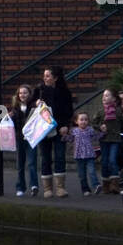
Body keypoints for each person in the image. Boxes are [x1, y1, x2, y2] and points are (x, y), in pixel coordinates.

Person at [34, 66, 73, 198]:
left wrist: (66, 125)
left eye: (48, 76)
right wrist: (36, 103)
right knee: (45, 158)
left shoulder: (64, 92)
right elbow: (30, 107)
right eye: (44, 76)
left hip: (59, 128)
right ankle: (47, 188)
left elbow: (69, 110)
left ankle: (60, 187)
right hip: (43, 129)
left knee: (60, 156)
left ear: (55, 78)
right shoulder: (39, 90)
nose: (45, 78)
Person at [9, 84, 39, 196]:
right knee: (20, 164)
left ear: (29, 94)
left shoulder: (33, 107)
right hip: (19, 139)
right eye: (20, 93)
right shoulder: (15, 108)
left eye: (25, 93)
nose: (22, 95)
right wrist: (9, 118)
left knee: (32, 163)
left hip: (31, 138)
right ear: (18, 95)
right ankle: (20, 187)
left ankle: (34, 186)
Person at [98, 88, 123, 193]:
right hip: (104, 140)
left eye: (107, 95)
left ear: (113, 99)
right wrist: (100, 126)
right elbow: (93, 123)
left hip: (115, 139)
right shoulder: (100, 111)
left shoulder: (118, 111)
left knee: (112, 160)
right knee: (104, 161)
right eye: (103, 95)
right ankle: (105, 183)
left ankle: (115, 184)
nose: (104, 97)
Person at [69, 112, 101, 195]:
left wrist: (103, 133)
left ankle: (96, 185)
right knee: (82, 174)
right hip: (79, 156)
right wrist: (64, 136)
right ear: (76, 121)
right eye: (81, 120)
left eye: (86, 120)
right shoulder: (74, 131)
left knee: (92, 171)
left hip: (89, 155)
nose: (84, 121)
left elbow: (96, 137)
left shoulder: (90, 130)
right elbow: (70, 139)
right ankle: (85, 189)